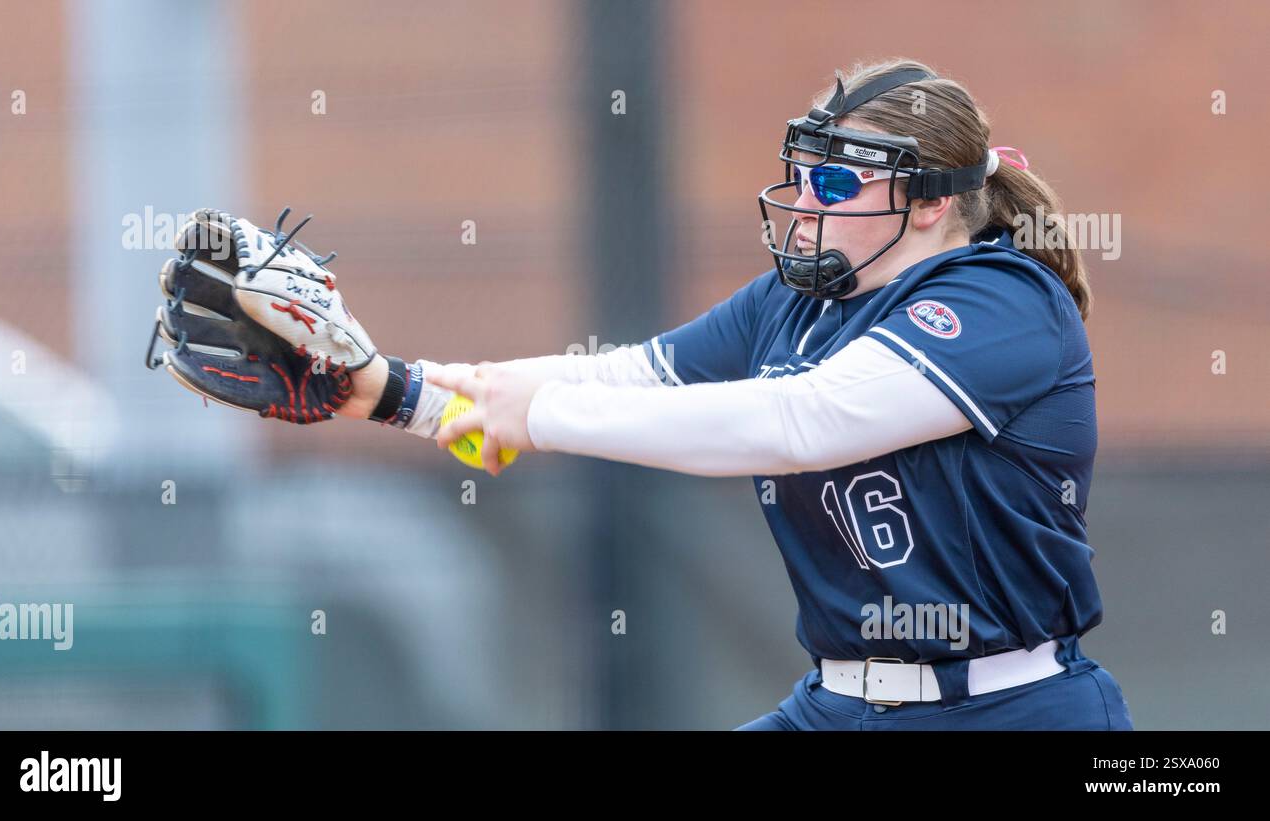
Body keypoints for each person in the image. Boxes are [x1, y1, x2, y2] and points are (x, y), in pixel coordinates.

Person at [340, 58, 1134, 730]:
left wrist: (540, 419)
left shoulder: (1003, 298)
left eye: (833, 180)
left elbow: (801, 422)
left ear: (930, 202)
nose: (805, 199)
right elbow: (621, 375)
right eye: (799, 173)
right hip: (837, 700)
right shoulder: (792, 300)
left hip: (1012, 706)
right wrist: (393, 391)